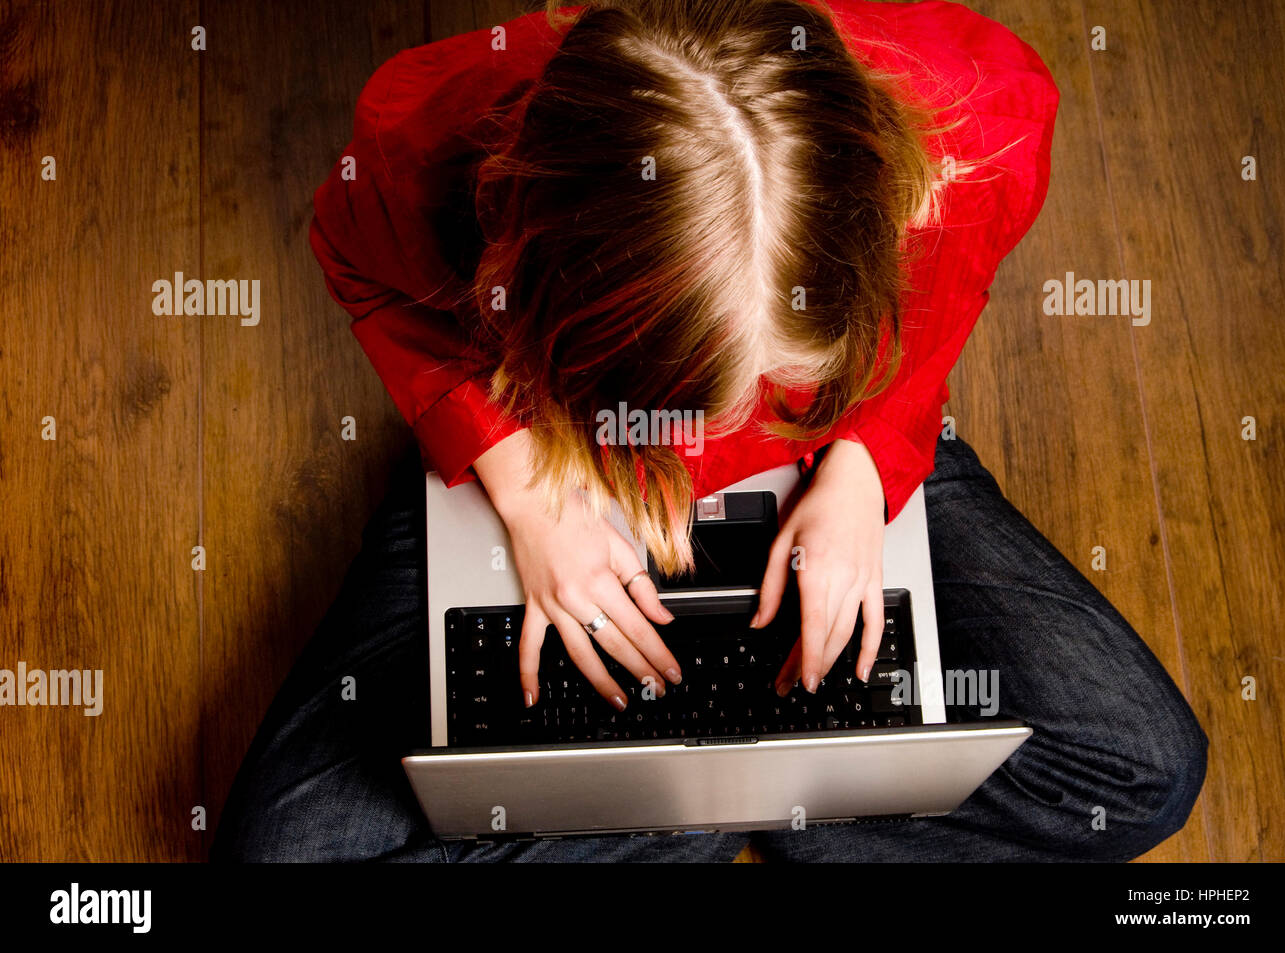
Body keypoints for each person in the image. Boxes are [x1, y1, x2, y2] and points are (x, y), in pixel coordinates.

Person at [212, 0, 1207, 862]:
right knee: (276, 850)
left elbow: (943, 303)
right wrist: (521, 485)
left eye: (783, 381)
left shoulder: (976, 120)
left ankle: (669, 816)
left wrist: (862, 464)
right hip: (550, 459)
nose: (721, 434)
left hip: (844, 460)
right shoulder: (427, 134)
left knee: (1145, 768)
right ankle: (726, 806)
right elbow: (359, 260)